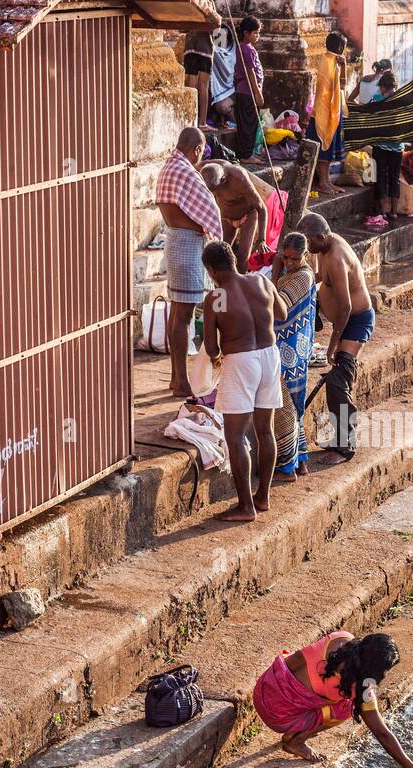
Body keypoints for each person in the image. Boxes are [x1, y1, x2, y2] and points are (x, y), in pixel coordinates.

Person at [252, 630, 413, 768]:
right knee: (347, 706)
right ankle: (296, 741)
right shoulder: (360, 690)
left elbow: (294, 660)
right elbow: (382, 733)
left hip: (263, 688)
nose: (384, 676)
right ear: (372, 668)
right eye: (384, 671)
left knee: (322, 689)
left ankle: (303, 714)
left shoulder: (339, 638)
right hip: (278, 717)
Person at [200, 241, 283, 522]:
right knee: (265, 430)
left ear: (211, 270)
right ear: (234, 260)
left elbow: (211, 348)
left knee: (235, 436)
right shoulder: (260, 281)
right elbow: (281, 313)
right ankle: (263, 496)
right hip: (270, 356)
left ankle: (246, 506)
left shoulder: (215, 297)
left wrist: (213, 355)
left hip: (240, 361)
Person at [298, 213, 374, 460]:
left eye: (310, 243)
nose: (309, 248)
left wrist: (332, 346)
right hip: (343, 318)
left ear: (321, 237)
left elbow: (346, 308)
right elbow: (321, 279)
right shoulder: (323, 247)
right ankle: (339, 438)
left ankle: (345, 446)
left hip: (356, 320)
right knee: (336, 380)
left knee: (338, 379)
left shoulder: (337, 257)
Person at [155, 127, 223, 397]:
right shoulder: (183, 170)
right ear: (196, 149)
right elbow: (208, 210)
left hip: (177, 242)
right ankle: (181, 381)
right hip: (185, 244)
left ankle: (176, 377)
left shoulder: (170, 167)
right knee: (182, 316)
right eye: (201, 152)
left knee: (178, 314)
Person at [270, 233, 319, 480]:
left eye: (294, 258)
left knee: (286, 406)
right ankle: (301, 461)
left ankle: (287, 467)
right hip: (291, 346)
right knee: (293, 405)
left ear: (305, 255)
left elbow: (280, 304)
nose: (289, 262)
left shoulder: (302, 276)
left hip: (291, 350)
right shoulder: (292, 273)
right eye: (285, 257)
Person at [201, 160, 274, 272]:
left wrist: (261, 239)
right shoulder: (205, 170)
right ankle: (221, 285)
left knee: (242, 258)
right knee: (220, 255)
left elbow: (261, 208)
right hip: (226, 218)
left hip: (247, 216)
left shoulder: (239, 178)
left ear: (224, 179)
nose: (217, 193)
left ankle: (239, 284)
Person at [309, 32, 350, 195]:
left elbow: (342, 86)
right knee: (324, 148)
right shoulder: (326, 61)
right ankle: (323, 182)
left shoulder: (336, 62)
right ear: (339, 47)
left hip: (334, 111)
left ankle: (326, 182)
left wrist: (344, 66)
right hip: (323, 112)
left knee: (329, 148)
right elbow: (325, 91)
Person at [370, 73, 406, 221]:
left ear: (383, 87)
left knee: (380, 176)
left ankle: (383, 211)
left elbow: (369, 116)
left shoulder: (376, 99)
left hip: (380, 145)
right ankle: (394, 211)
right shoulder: (402, 100)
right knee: (394, 177)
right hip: (397, 146)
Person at [233, 16, 265, 164]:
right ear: (246, 33)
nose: (257, 36)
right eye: (255, 33)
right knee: (247, 125)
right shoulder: (245, 49)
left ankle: (247, 153)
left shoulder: (249, 48)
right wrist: (257, 93)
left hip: (248, 91)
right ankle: (245, 155)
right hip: (247, 92)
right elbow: (250, 72)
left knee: (251, 125)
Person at [183, 30, 214, 127]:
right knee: (203, 86)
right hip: (204, 47)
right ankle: (202, 123)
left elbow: (181, 29)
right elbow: (217, 32)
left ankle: (189, 122)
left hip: (190, 46)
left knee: (191, 85)